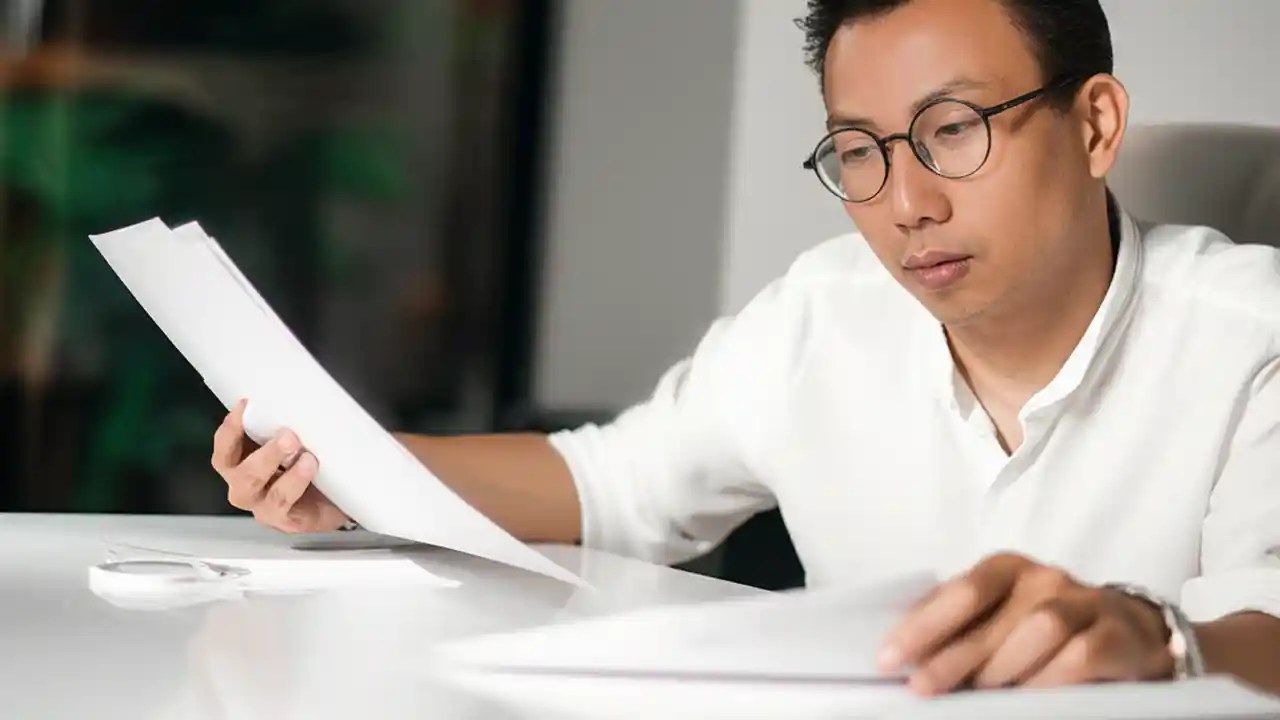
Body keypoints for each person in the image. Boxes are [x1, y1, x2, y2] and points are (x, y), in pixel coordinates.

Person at [211, 0, 1280, 696]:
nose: (905, 203)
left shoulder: (1252, 340)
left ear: (1094, 125)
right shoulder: (819, 316)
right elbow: (607, 488)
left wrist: (1160, 641)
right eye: (858, 152)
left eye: (953, 130)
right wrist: (343, 470)